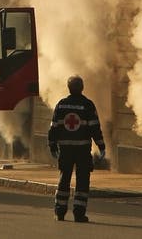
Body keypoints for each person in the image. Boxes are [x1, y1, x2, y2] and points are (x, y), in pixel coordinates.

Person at [48, 75, 106, 223]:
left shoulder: (61, 105)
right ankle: (79, 214)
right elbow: (95, 127)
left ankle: (59, 212)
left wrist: (52, 145)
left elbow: (54, 127)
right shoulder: (88, 105)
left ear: (69, 88)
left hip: (65, 150)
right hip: (82, 151)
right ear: (82, 88)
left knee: (64, 179)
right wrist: (101, 145)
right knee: (82, 181)